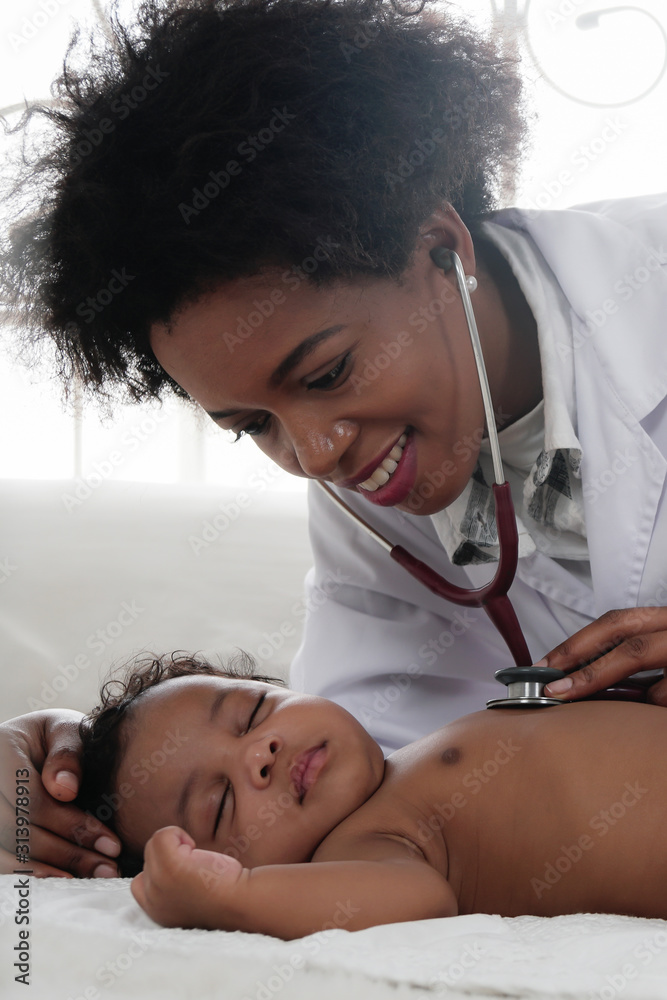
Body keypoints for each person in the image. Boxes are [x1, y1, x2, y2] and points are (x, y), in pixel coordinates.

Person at [1, 0, 667, 880]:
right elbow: (356, 789)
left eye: (324, 376)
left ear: (438, 243)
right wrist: (65, 766)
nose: (315, 455)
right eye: (252, 426)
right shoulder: (372, 524)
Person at [77, 652, 667, 939]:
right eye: (222, 802)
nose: (260, 754)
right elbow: (416, 898)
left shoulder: (410, 760)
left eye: (254, 711)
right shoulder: (358, 847)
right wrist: (233, 899)